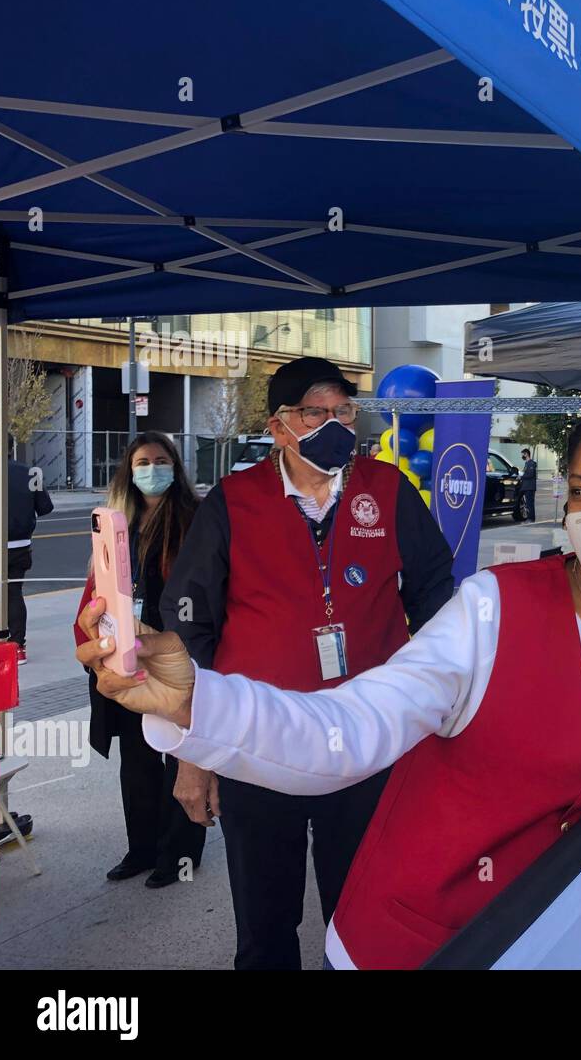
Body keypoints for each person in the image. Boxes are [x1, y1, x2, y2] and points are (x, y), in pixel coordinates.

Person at [78, 408, 581, 970]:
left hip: (547, 947)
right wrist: (199, 698)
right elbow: (344, 729)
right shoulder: (491, 611)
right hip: (411, 943)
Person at [159, 357, 455, 969]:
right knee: (265, 925)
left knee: (367, 914)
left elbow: (434, 591)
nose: (336, 425)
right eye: (317, 413)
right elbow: (190, 631)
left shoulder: (387, 489)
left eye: (344, 411)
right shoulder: (233, 504)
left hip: (368, 742)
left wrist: (433, 693)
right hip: (260, 743)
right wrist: (193, 753)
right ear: (279, 426)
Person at [74, 432, 206, 888]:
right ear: (129, 471)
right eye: (143, 461)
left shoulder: (194, 518)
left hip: (172, 651)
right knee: (137, 756)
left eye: (161, 460)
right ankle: (142, 848)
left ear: (175, 466)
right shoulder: (116, 521)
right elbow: (97, 591)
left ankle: (180, 855)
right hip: (126, 652)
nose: (152, 469)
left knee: (179, 752)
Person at [0, 430, 54, 663]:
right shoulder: (30, 472)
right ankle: (17, 647)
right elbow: (45, 507)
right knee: (14, 594)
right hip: (21, 545)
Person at [516, 447, 538, 521]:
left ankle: (531, 518)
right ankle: (530, 517)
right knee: (527, 504)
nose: (522, 456)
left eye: (523, 455)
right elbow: (525, 473)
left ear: (526, 454)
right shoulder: (526, 464)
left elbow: (530, 474)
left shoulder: (532, 463)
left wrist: (521, 476)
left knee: (530, 503)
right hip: (525, 487)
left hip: (530, 487)